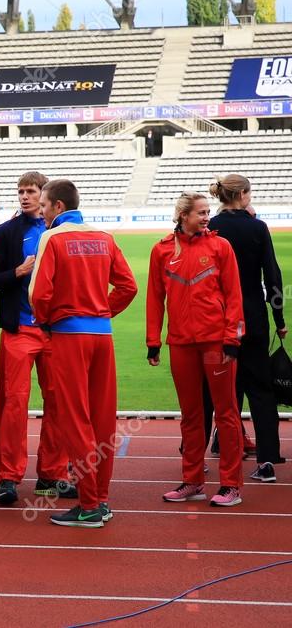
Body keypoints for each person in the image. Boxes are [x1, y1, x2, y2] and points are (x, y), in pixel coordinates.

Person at [29, 179, 137, 528]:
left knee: (74, 419)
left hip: (68, 337)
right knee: (103, 418)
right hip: (102, 337)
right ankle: (100, 500)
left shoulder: (53, 237)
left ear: (58, 206)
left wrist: (46, 322)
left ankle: (88, 504)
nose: (41, 211)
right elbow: (128, 286)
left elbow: (39, 293)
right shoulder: (104, 237)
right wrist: (101, 311)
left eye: (44, 205)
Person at [147, 193, 246, 506]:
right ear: (183, 215)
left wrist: (232, 337)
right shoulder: (161, 250)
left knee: (226, 413)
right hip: (180, 343)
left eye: (207, 212)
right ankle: (193, 481)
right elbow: (154, 297)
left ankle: (231, 485)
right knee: (190, 415)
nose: (206, 217)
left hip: (216, 341)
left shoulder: (221, 247)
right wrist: (153, 340)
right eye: (201, 213)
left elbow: (234, 296)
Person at [0, 172, 75, 505]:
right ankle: (8, 476)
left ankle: (52, 475)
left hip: (54, 332)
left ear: (45, 195)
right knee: (14, 405)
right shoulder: (6, 232)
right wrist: (18, 272)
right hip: (19, 330)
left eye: (31, 191)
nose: (24, 197)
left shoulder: (60, 233)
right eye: (20, 191)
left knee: (59, 404)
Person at [209, 174, 287, 482]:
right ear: (242, 194)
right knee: (261, 391)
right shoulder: (257, 227)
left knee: (223, 390)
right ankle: (267, 461)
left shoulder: (211, 227)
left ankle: (218, 450)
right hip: (252, 317)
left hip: (218, 318)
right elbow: (273, 277)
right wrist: (279, 320)